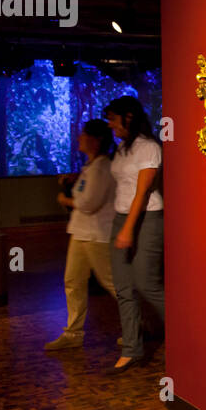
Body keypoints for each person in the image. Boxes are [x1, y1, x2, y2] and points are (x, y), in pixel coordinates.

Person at [103, 95, 164, 374]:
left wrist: (128, 229)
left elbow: (141, 193)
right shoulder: (122, 149)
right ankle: (131, 349)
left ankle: (189, 334)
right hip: (121, 218)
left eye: (113, 118)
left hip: (146, 219)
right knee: (124, 288)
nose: (110, 124)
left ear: (128, 117)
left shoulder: (149, 147)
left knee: (145, 282)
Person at [46, 119, 117, 351]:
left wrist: (64, 200)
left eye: (83, 134)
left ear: (95, 140)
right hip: (80, 233)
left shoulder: (102, 167)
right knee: (73, 281)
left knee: (112, 283)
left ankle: (138, 323)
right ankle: (73, 332)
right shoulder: (91, 167)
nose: (79, 138)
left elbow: (89, 203)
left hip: (97, 235)